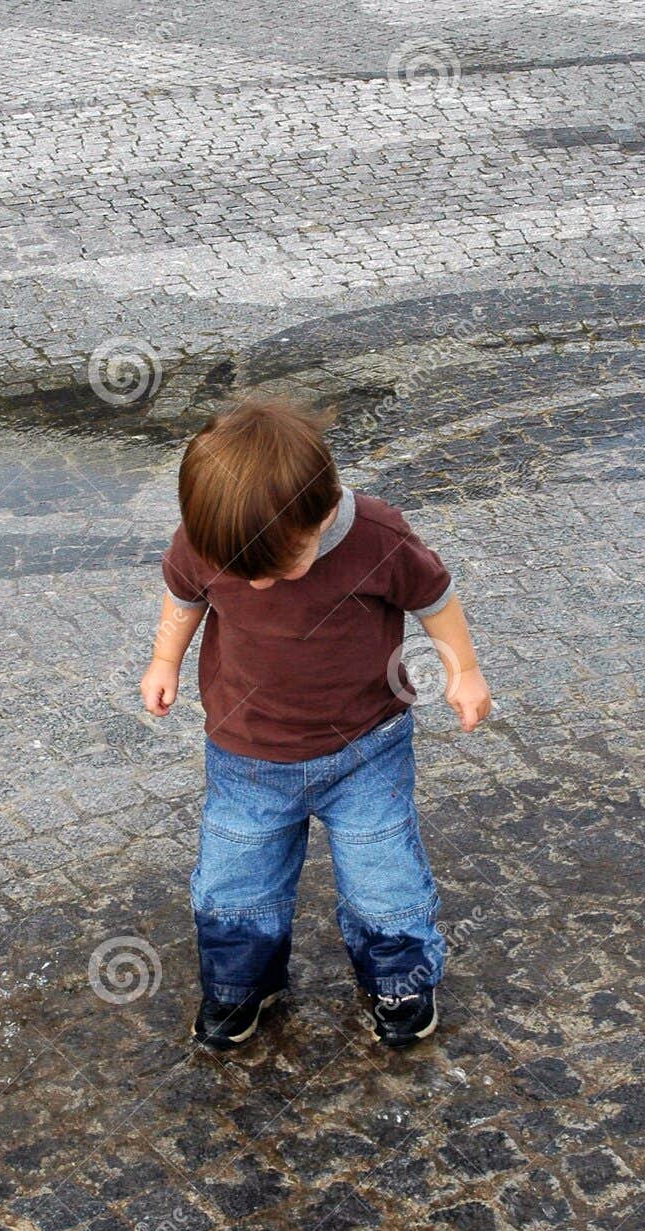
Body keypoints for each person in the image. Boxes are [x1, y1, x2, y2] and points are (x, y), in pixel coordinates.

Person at [140, 399, 491, 1049]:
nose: (262, 586)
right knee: (234, 881)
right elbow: (184, 595)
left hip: (366, 750)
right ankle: (239, 984)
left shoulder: (377, 537)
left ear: (322, 512)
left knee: (383, 877)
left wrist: (463, 670)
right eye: (243, 574)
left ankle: (398, 979)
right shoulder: (207, 538)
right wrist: (165, 659)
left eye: (276, 567)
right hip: (246, 755)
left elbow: (434, 597)